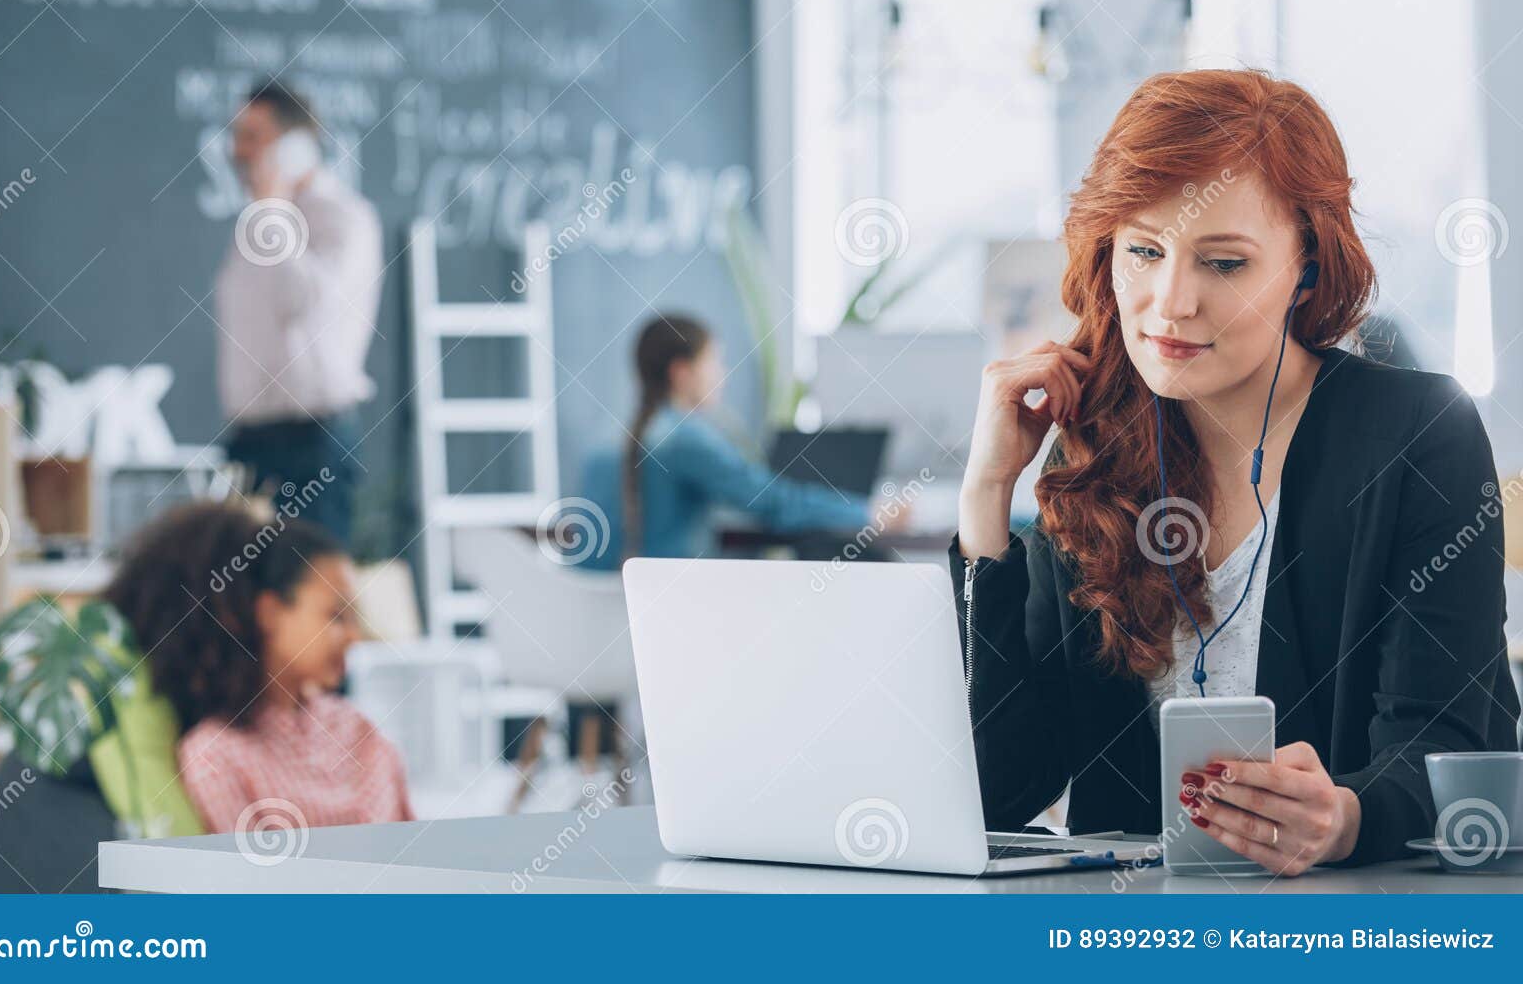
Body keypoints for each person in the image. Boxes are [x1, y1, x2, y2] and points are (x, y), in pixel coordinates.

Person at [955, 69, 1518, 874]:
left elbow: (1451, 745)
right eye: (1144, 250)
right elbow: (1001, 787)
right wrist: (986, 502)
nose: (1171, 302)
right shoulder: (1096, 448)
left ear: (1309, 270)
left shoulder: (1415, 433)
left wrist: (1348, 819)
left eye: (1224, 263)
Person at [105, 501, 413, 833]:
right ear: (268, 612)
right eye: (335, 615)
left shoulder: (356, 729)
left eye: (354, 616)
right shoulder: (217, 757)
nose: (354, 636)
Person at [580, 313, 891, 568]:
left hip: (604, 615)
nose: (722, 374)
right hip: (673, 612)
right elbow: (773, 504)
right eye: (715, 361)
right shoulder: (685, 441)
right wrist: (868, 513)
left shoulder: (604, 436)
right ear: (682, 372)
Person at [216, 79, 383, 544]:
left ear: (296, 147)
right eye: (236, 135)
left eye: (253, 136)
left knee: (311, 598)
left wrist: (271, 207)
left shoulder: (344, 217)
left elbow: (303, 300)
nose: (238, 151)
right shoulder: (258, 220)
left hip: (312, 444)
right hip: (251, 442)